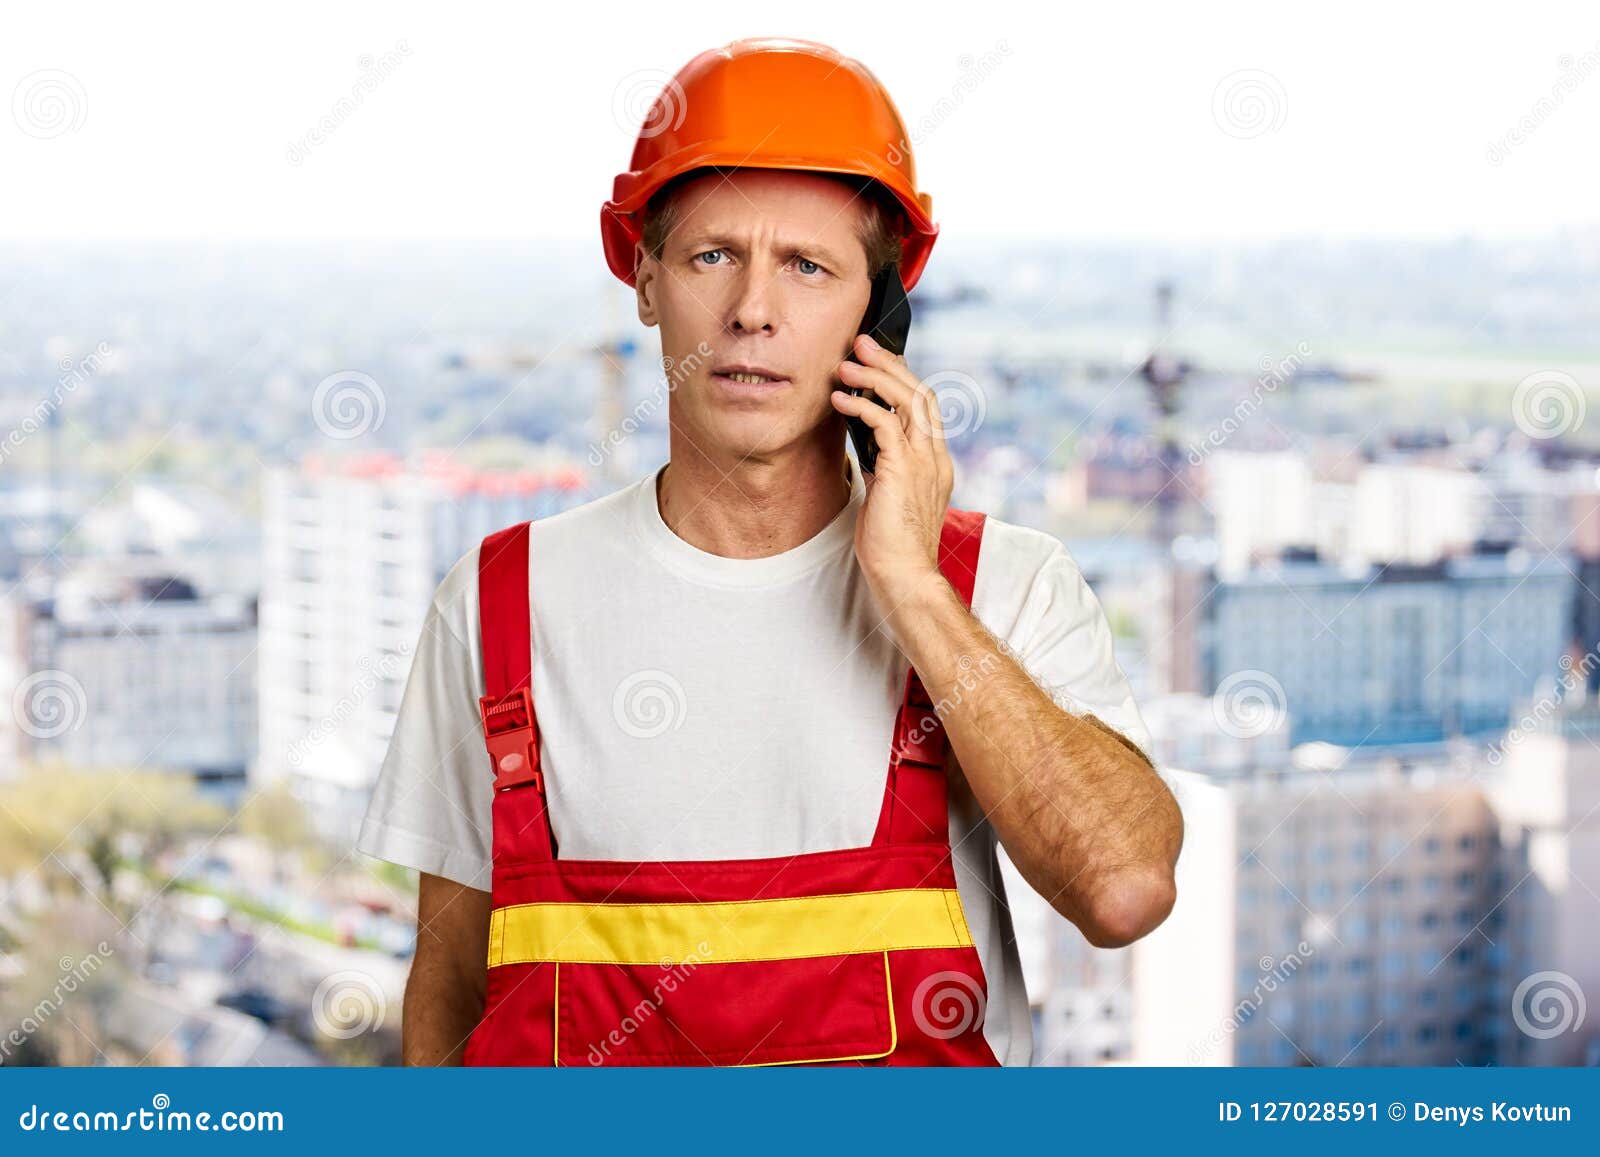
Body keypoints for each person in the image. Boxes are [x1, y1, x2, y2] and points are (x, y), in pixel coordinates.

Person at [357, 37, 1181, 1067]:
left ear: (878, 316)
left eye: (807, 266)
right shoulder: (500, 604)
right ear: (646, 280)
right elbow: (448, 988)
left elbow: (1123, 888)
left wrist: (912, 588)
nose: (753, 310)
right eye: (713, 256)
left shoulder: (1001, 590)